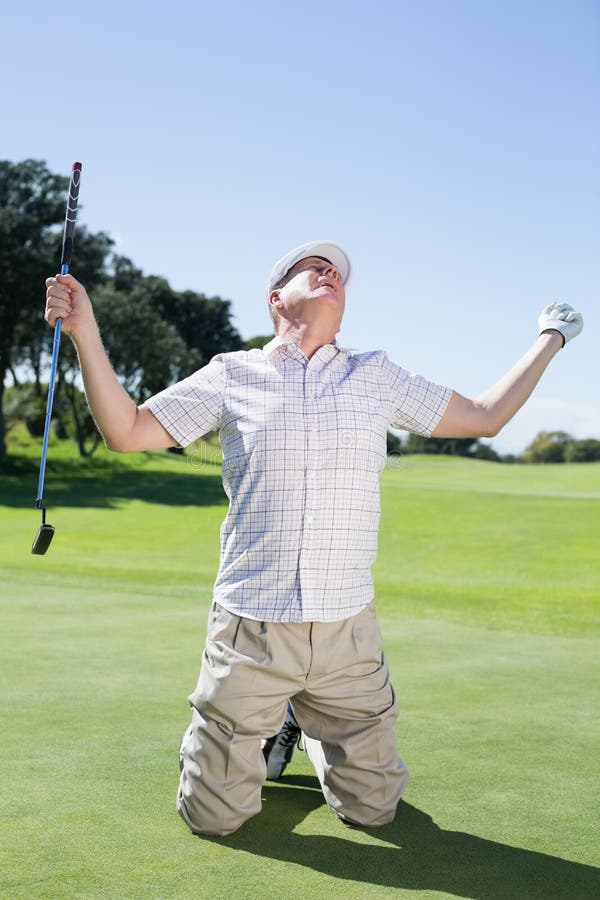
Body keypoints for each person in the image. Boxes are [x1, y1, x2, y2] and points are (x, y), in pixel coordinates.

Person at [44, 240, 583, 837]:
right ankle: (269, 723)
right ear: (277, 299)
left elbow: (484, 416)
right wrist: (84, 330)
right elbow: (127, 430)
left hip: (347, 633)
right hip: (251, 628)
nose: (331, 273)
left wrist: (549, 339)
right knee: (214, 820)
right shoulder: (231, 374)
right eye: (314, 269)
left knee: (373, 811)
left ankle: (304, 726)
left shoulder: (375, 374)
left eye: (338, 274)